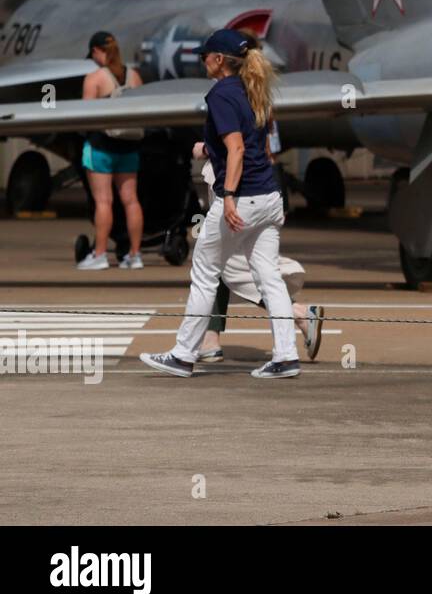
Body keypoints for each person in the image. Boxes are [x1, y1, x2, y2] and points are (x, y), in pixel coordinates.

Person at [139, 29, 300, 379]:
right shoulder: (253, 89)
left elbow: (238, 149)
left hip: (243, 197)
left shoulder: (221, 94)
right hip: (269, 196)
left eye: (204, 55)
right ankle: (286, 356)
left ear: (217, 60)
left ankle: (183, 354)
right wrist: (209, 149)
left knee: (205, 272)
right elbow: (252, 146)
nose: (202, 61)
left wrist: (227, 197)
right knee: (269, 278)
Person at [188, 140, 325, 363]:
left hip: (237, 187)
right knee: (226, 263)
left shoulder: (233, 105)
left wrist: (205, 149)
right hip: (248, 186)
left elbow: (238, 143)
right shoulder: (255, 108)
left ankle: (298, 315)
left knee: (230, 265)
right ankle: (210, 339)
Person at [77, 31, 145, 270]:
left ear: (97, 51)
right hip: (129, 147)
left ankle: (99, 254)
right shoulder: (134, 77)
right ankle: (135, 255)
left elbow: (85, 117)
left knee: (103, 201)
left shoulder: (94, 78)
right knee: (131, 200)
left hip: (101, 147)